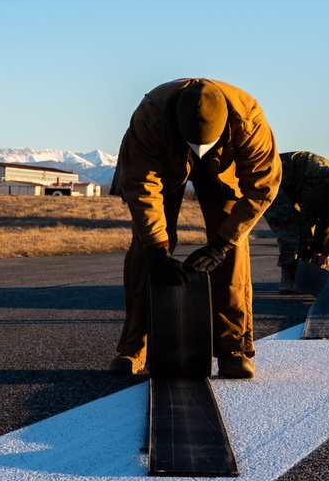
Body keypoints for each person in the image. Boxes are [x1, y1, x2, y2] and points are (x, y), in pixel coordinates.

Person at [109, 78, 281, 379]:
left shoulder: (249, 119)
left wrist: (222, 244)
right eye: (193, 146)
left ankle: (233, 349)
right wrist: (158, 249)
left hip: (224, 171)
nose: (199, 153)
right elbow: (140, 185)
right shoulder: (151, 115)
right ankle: (135, 347)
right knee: (144, 246)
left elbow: (262, 187)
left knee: (234, 244)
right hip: (163, 167)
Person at [262, 152, 329, 293]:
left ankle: (302, 273)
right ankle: (289, 276)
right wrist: (316, 254)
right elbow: (308, 221)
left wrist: (321, 251)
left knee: (306, 232)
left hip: (295, 182)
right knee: (291, 228)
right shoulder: (316, 185)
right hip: (268, 181)